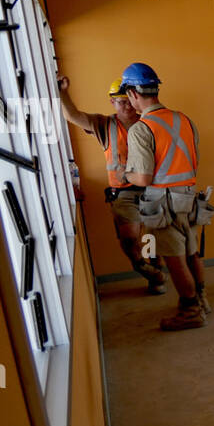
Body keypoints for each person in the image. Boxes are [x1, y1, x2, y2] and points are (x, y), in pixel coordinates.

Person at [120, 62, 212, 331]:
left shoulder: (141, 128)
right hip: (190, 198)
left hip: (163, 203)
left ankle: (191, 311)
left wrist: (126, 174)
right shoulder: (184, 119)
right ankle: (202, 299)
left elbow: (143, 178)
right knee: (192, 253)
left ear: (133, 94)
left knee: (175, 259)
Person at [58, 74, 167, 295]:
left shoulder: (148, 122)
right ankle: (144, 268)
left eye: (128, 99)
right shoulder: (104, 124)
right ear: (112, 103)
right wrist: (62, 92)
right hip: (123, 193)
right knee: (129, 237)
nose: (126, 105)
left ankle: (156, 272)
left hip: (151, 189)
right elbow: (72, 115)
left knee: (151, 236)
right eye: (120, 101)